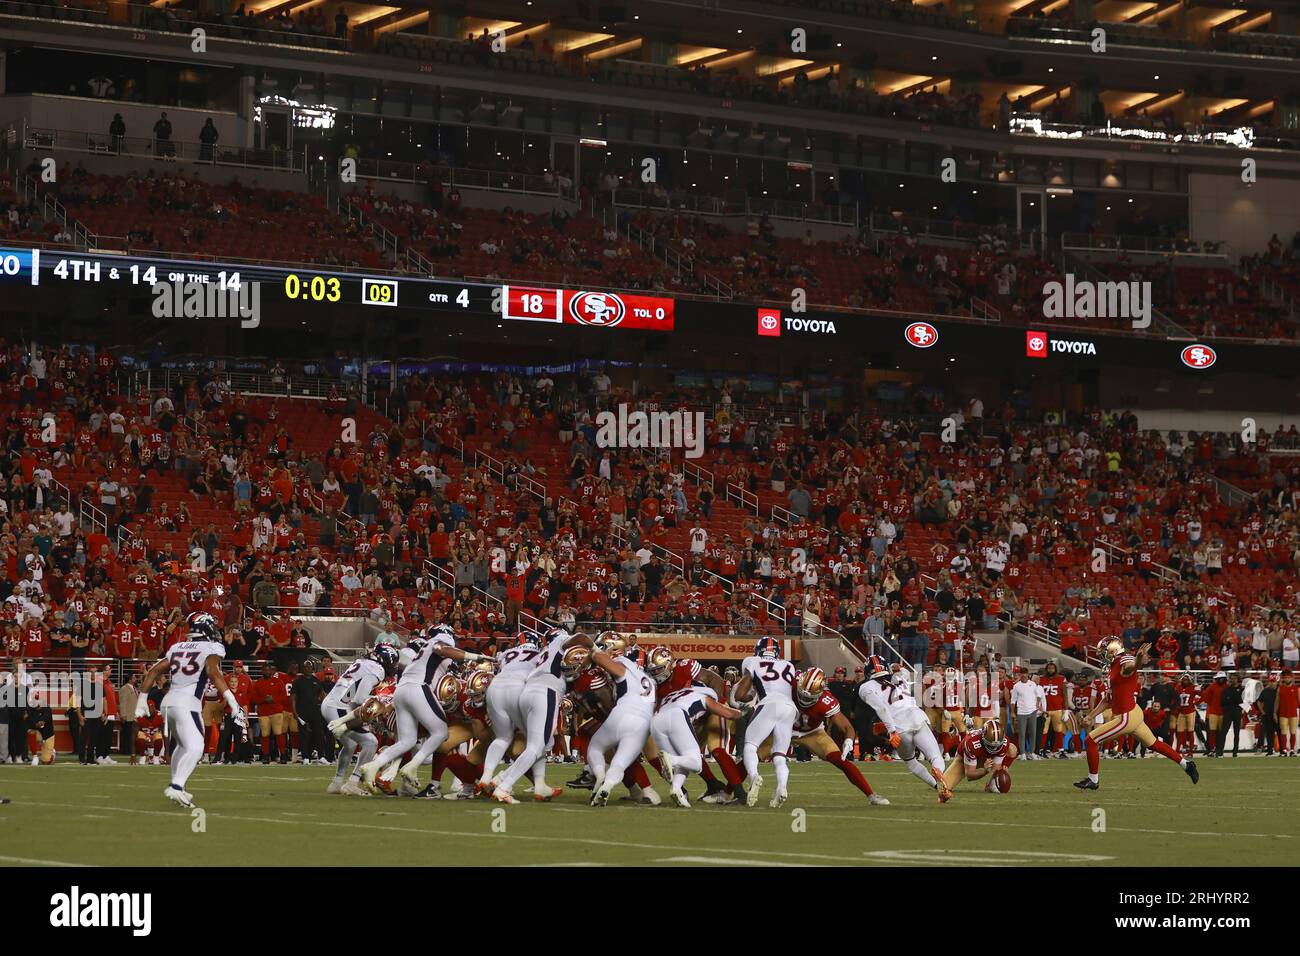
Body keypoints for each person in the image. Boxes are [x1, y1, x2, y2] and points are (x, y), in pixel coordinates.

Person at [359, 623, 489, 794]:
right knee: (441, 732)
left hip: (401, 691)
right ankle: (412, 766)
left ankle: (372, 766)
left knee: (407, 741)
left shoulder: (424, 647)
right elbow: (441, 649)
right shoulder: (441, 640)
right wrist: (474, 656)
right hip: (418, 687)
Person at [136, 612, 248, 808]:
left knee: (182, 745)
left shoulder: (177, 646)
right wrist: (232, 700)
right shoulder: (212, 647)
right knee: (196, 747)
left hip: (168, 701)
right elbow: (213, 673)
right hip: (186, 703)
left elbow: (154, 670)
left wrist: (142, 699)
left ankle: (178, 786)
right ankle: (177, 787)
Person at [1073, 640, 1198, 790]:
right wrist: (1091, 716)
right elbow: (1108, 700)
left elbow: (1132, 667)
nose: (1101, 655)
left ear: (1112, 650)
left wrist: (1138, 658)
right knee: (1153, 744)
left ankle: (1093, 780)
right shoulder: (1112, 667)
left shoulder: (1124, 660)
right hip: (1132, 713)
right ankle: (1186, 764)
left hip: (1126, 716)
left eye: (1103, 651)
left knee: (1091, 740)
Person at [859, 656, 952, 801]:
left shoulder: (866, 687)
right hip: (917, 717)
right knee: (935, 757)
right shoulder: (900, 677)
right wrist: (897, 667)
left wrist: (891, 731)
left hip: (899, 727)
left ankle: (936, 786)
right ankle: (938, 772)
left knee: (911, 762)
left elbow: (881, 708)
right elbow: (904, 671)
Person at [734, 636, 800, 808]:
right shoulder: (789, 665)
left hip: (769, 704)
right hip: (789, 708)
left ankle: (754, 776)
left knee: (750, 745)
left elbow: (739, 695)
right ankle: (781, 788)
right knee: (780, 755)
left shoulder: (753, 662)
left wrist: (751, 696)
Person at [322, 643, 397, 794]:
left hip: (329, 704)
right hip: (339, 708)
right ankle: (353, 782)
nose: (392, 667)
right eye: (391, 662)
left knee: (349, 745)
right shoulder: (376, 669)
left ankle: (337, 783)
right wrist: (377, 706)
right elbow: (360, 699)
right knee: (371, 742)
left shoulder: (362, 663)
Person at [1010, 670, 1042, 759]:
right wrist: (1012, 712)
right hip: (1021, 712)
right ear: (1020, 675)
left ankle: (1032, 753)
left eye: (1025, 673)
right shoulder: (1016, 686)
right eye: (1022, 674)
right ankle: (1023, 754)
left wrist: (1037, 704)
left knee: (1032, 733)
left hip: (1032, 711)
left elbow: (1038, 695)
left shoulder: (1033, 684)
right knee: (1022, 734)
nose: (1023, 675)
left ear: (1028, 674)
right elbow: (1013, 700)